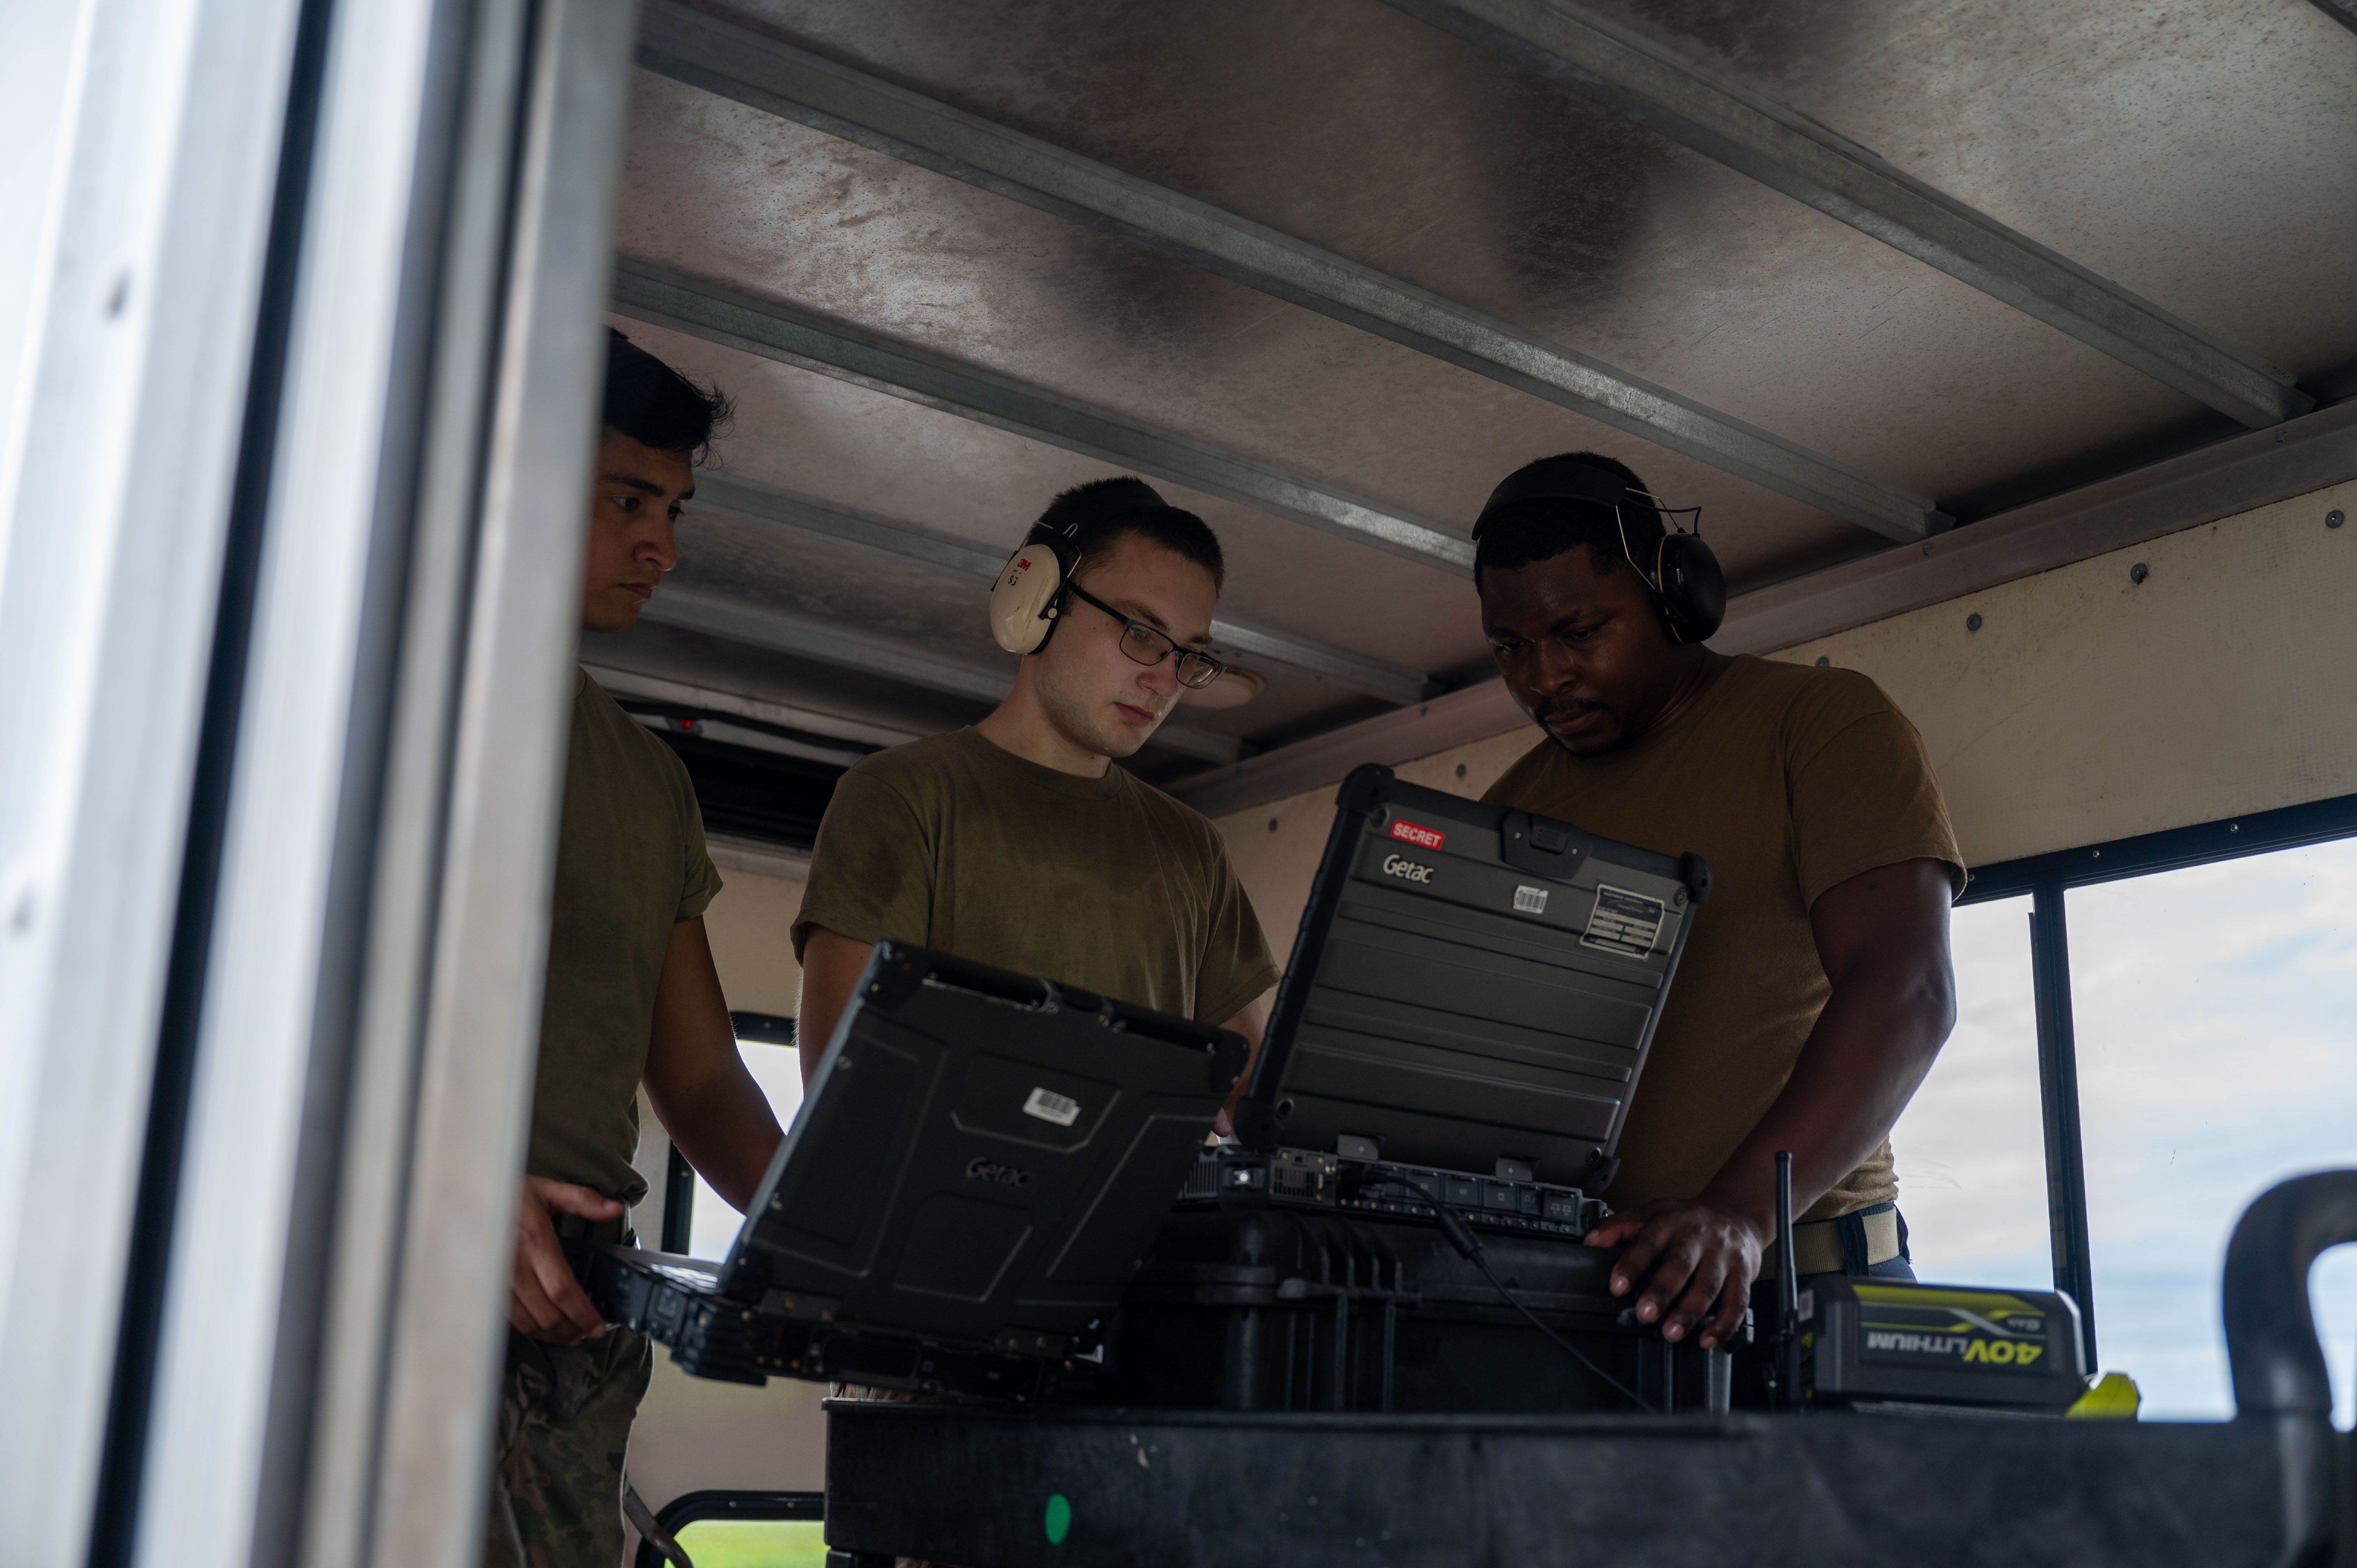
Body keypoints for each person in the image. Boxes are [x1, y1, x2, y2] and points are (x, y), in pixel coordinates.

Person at [1472, 451, 1962, 1354]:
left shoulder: (1821, 722)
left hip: (1809, 1289)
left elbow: (1908, 988)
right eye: (1512, 649)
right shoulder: (1505, 810)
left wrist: (1738, 1214)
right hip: (1594, 1306)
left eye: (1580, 631)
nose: (1545, 678)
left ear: (1674, 595)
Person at [486, 330, 788, 1568]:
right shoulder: (345, 691)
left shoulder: (647, 780)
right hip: (359, 1301)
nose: (662, 544)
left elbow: (706, 1081)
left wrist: (836, 1247)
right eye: (626, 500)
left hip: (569, 1342)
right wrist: (438, 1193)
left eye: (672, 507)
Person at [792, 477, 1279, 1118]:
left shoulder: (1193, 850)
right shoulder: (903, 797)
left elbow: (1249, 1101)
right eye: (1140, 631)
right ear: (1040, 599)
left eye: (1190, 655)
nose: (1165, 681)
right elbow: (845, 1090)